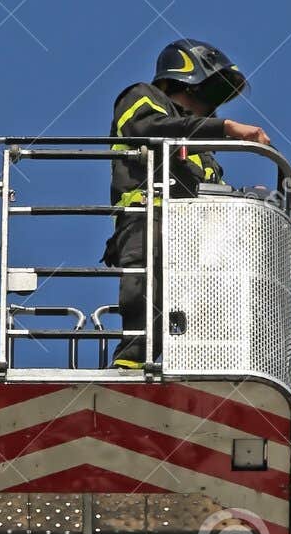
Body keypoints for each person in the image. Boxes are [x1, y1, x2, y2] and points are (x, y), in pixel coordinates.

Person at [102, 40, 270, 368]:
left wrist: (244, 199)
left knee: (201, 302)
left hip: (196, 234)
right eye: (203, 95)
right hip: (148, 214)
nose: (209, 109)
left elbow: (209, 190)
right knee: (146, 287)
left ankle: (204, 365)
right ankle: (132, 365)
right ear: (179, 82)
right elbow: (146, 129)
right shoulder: (141, 97)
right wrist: (224, 129)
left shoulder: (202, 148)